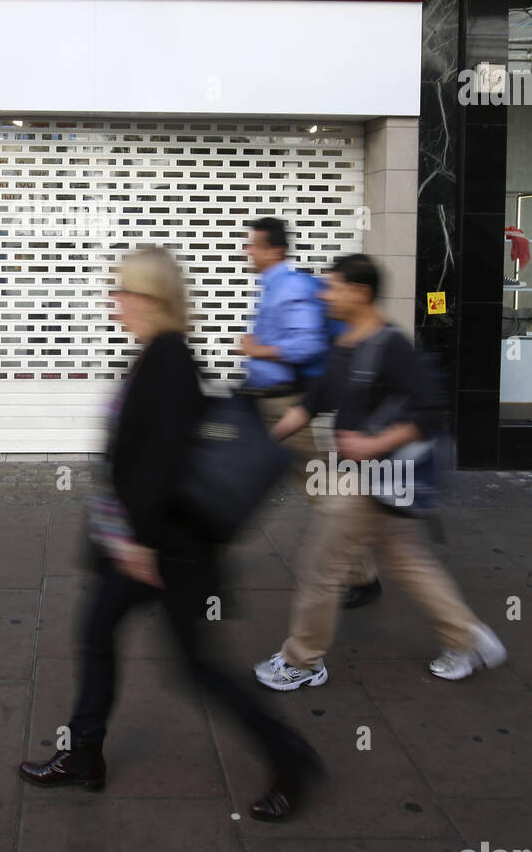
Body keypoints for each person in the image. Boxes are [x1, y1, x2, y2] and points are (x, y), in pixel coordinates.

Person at [20, 246, 323, 822]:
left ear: (151, 298)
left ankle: (290, 756)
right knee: (102, 635)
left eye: (124, 292)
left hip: (160, 552)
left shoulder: (166, 359)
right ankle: (84, 753)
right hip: (147, 545)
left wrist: (138, 544)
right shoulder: (159, 354)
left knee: (194, 665)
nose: (115, 303)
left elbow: (158, 463)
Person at [253, 253, 507, 692]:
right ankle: (465, 637)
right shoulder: (345, 345)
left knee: (322, 567)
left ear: (360, 292)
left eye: (332, 287)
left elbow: (430, 412)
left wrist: (373, 444)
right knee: (408, 562)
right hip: (370, 478)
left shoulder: (391, 346)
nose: (324, 295)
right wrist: (264, 441)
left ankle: (303, 659)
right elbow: (311, 405)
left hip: (372, 479)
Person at [237, 218, 380, 609]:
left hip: (283, 405)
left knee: (322, 490)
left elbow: (306, 346)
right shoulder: (273, 285)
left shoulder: (291, 286)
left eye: (254, 245)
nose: (248, 252)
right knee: (239, 475)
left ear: (274, 250)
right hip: (263, 402)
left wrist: (256, 351)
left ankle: (362, 572)